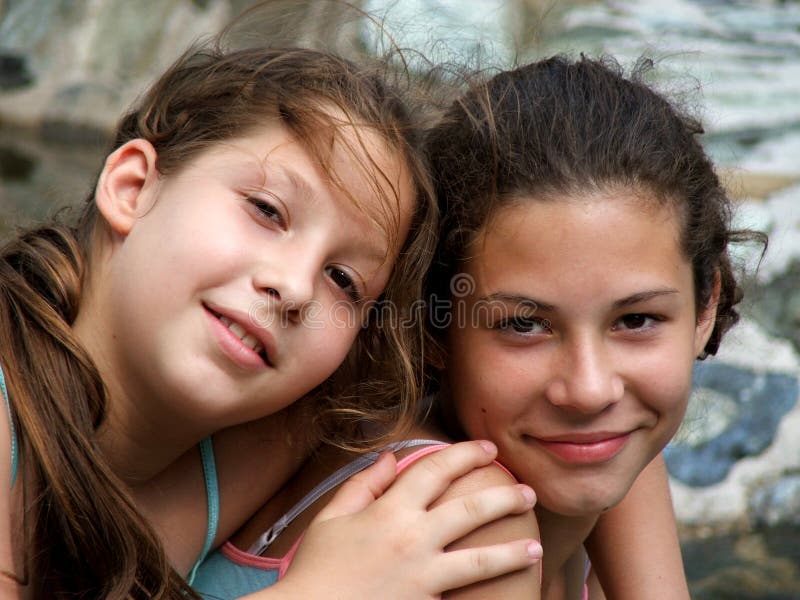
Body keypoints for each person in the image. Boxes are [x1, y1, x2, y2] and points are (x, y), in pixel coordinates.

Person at [201, 54, 763, 599]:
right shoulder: (468, 520)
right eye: (524, 325)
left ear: (704, 305)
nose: (592, 390)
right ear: (433, 326)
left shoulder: (608, 447)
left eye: (636, 320)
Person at [0, 35, 543, 598]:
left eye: (344, 280)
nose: (294, 288)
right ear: (133, 188)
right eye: (266, 210)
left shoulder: (268, 433)